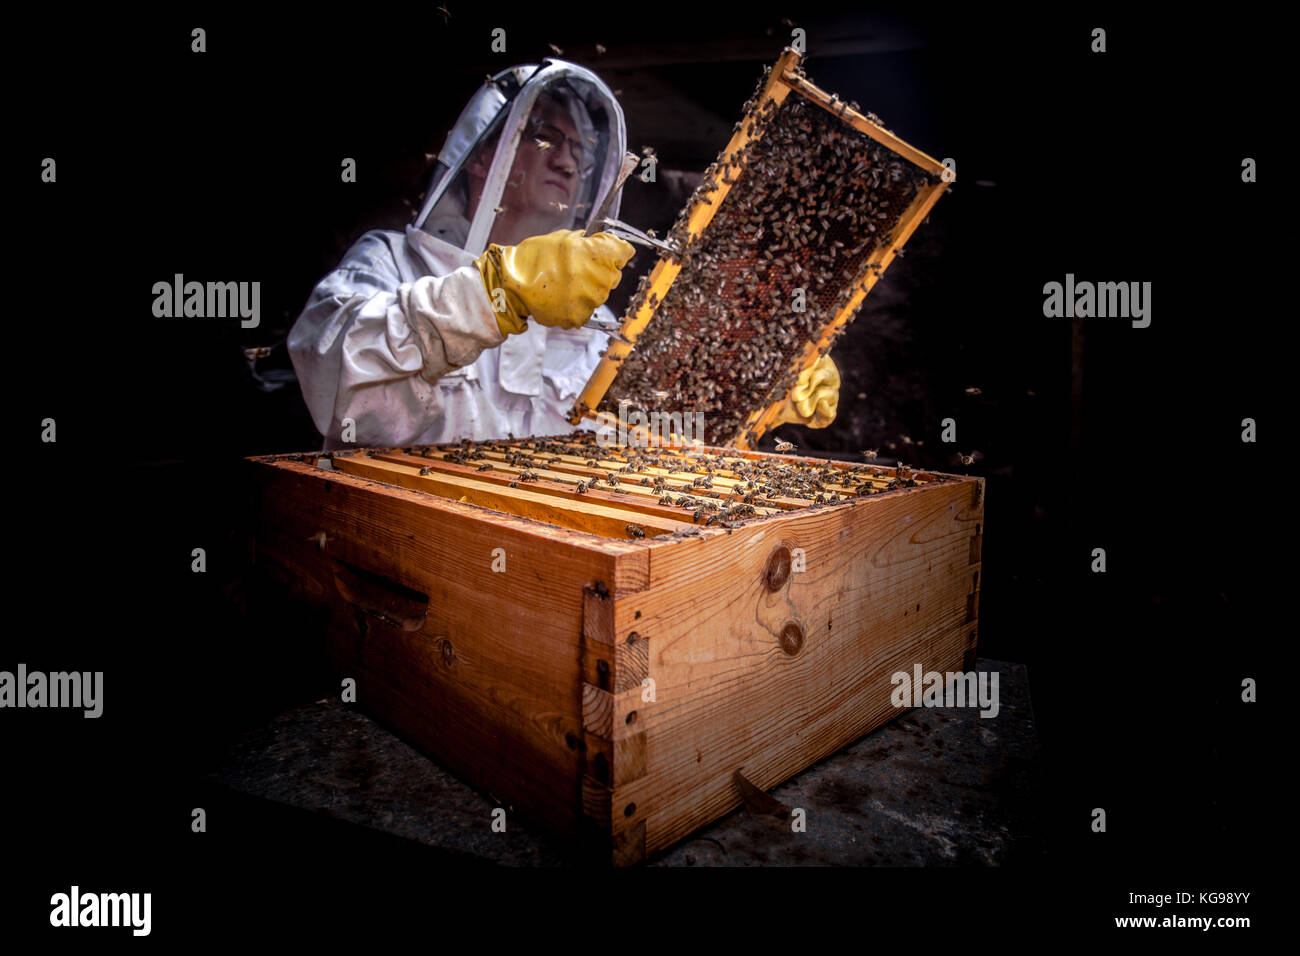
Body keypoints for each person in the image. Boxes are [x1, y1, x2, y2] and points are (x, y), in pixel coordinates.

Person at [289, 59, 838, 449]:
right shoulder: (390, 262)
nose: (569, 165)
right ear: (485, 156)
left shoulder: (590, 317)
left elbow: (637, 440)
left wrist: (749, 393)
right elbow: (334, 377)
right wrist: (494, 292)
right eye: (547, 140)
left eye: (579, 151)